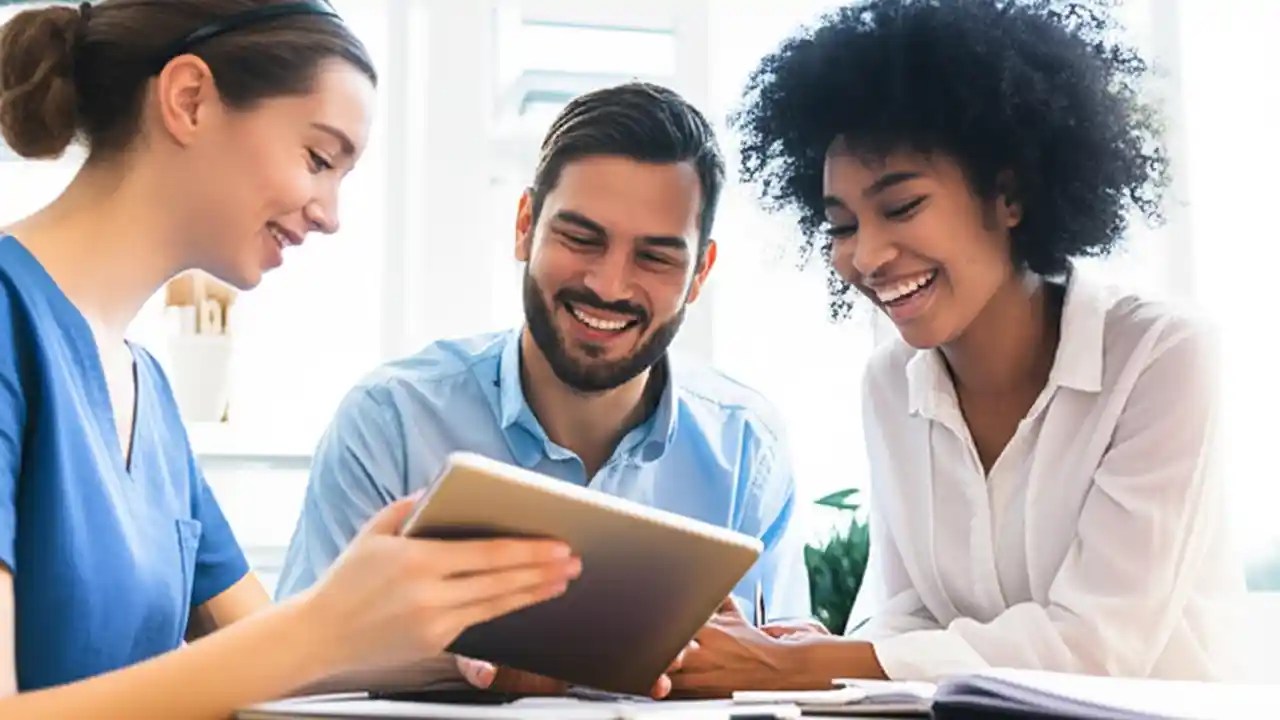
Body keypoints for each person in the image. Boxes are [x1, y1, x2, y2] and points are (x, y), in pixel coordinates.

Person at [0, 1, 588, 715]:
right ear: (189, 100)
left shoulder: (145, 388)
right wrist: (327, 621)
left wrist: (496, 659)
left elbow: (263, 650)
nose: (330, 214)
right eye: (318, 159)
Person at [669, 0, 1244, 695]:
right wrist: (806, 650)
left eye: (901, 207)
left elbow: (1098, 644)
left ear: (1008, 195)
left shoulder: (1158, 356)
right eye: (842, 225)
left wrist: (804, 667)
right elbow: (907, 611)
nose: (866, 256)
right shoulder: (891, 381)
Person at [276, 81, 812, 692]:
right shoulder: (392, 421)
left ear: (699, 274)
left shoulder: (746, 448)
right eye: (581, 239)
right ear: (525, 226)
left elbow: (771, 676)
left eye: (655, 258)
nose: (608, 285)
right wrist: (471, 667)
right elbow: (292, 671)